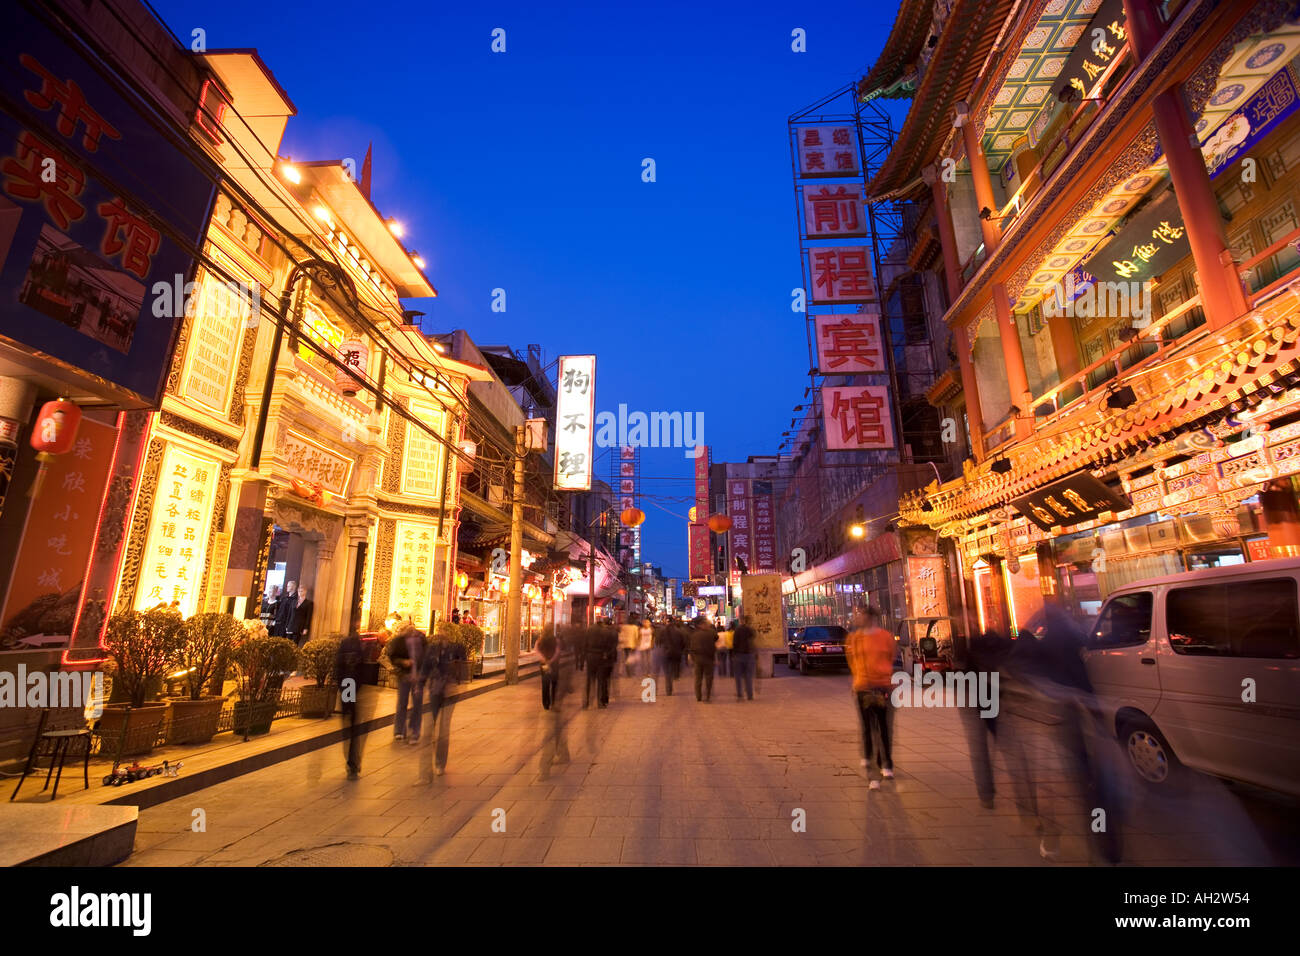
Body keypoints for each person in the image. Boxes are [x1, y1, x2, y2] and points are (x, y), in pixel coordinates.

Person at [846, 605, 896, 789]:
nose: (858, 618)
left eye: (861, 615)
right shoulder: (855, 638)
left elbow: (891, 656)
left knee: (883, 727)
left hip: (883, 687)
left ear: (871, 617)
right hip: (863, 688)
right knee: (867, 728)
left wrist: (883, 676)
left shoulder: (885, 637)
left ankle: (886, 763)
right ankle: (872, 771)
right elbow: (852, 660)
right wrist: (859, 678)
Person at [419, 626, 465, 777]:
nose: (442, 633)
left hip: (450, 691)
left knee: (443, 730)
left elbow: (462, 667)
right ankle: (426, 770)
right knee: (428, 730)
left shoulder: (457, 648)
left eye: (444, 630)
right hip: (434, 690)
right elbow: (425, 668)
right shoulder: (432, 649)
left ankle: (440, 763)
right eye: (440, 630)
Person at [386, 614, 426, 743]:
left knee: (417, 705)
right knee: (402, 703)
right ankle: (399, 731)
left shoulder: (422, 640)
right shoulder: (398, 642)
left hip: (418, 676)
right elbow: (393, 657)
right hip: (404, 675)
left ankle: (414, 731)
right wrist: (403, 662)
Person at [336, 618, 366, 779]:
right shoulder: (354, 645)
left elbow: (339, 669)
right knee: (352, 726)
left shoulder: (348, 644)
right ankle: (352, 762)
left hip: (348, 687)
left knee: (350, 726)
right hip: (350, 687)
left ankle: (352, 762)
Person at [690, 618, 717, 702]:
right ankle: (707, 695)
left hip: (698, 659)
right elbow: (714, 643)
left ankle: (698, 696)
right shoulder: (710, 634)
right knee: (708, 678)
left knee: (698, 678)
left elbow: (691, 648)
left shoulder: (695, 635)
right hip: (708, 659)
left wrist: (692, 658)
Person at [732, 616, 757, 701]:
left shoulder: (737, 630)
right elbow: (753, 639)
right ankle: (750, 695)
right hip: (749, 655)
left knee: (738, 677)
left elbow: (734, 643)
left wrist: (734, 654)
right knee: (748, 676)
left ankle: (740, 694)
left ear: (740, 621)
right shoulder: (750, 630)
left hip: (739, 655)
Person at [534, 630, 560, 710]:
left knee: (545, 683)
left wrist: (543, 659)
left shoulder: (539, 640)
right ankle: (553, 701)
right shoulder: (556, 640)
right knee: (554, 683)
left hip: (544, 664)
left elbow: (536, 650)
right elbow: (557, 651)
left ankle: (546, 703)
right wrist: (552, 660)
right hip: (554, 664)